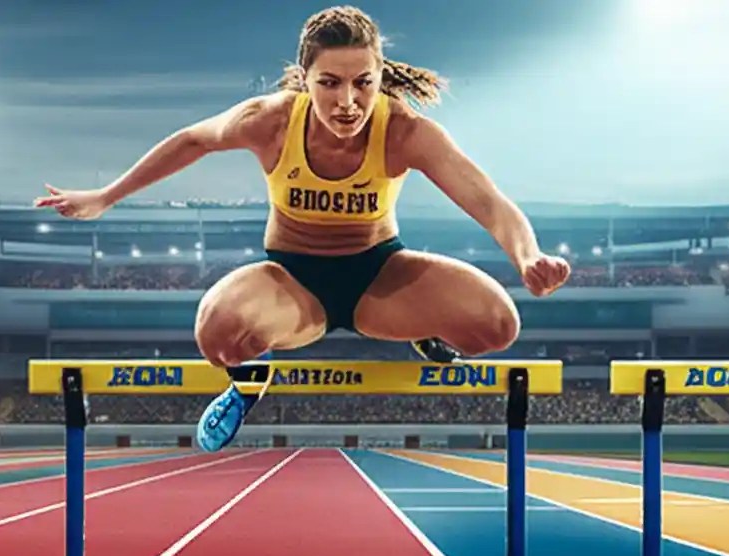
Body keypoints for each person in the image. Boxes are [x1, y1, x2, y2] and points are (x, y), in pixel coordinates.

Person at [36, 5, 572, 451]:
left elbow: (489, 202)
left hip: (379, 276)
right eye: (330, 83)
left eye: (363, 83)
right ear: (305, 78)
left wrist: (528, 256)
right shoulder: (270, 120)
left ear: (379, 77)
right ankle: (248, 384)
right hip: (292, 283)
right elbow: (193, 140)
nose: (348, 102)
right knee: (216, 334)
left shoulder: (405, 132)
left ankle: (422, 330)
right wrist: (106, 197)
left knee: (497, 326)